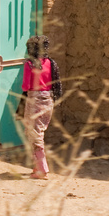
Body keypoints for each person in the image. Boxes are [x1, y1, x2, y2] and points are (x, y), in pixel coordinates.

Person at [19, 35, 62, 180]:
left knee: (34, 134)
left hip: (34, 100)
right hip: (48, 99)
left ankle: (42, 169)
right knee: (38, 133)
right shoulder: (51, 63)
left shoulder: (29, 64)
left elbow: (25, 86)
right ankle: (37, 167)